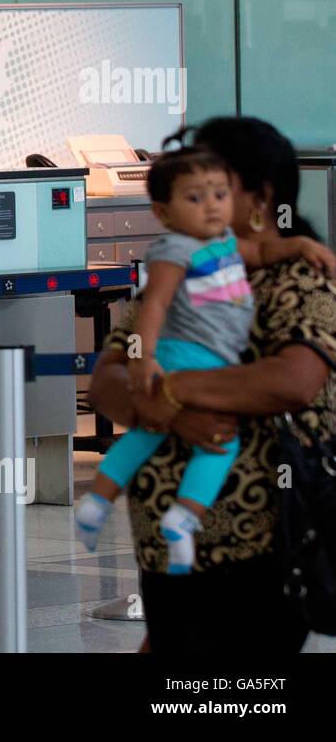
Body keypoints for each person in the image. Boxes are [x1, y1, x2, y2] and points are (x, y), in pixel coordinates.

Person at [89, 116, 336, 653]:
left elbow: (290, 380)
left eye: (213, 186)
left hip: (259, 540)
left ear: (258, 196)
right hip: (164, 542)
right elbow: (109, 379)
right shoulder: (180, 268)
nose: (193, 200)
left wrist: (171, 391)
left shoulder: (300, 273)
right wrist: (174, 414)